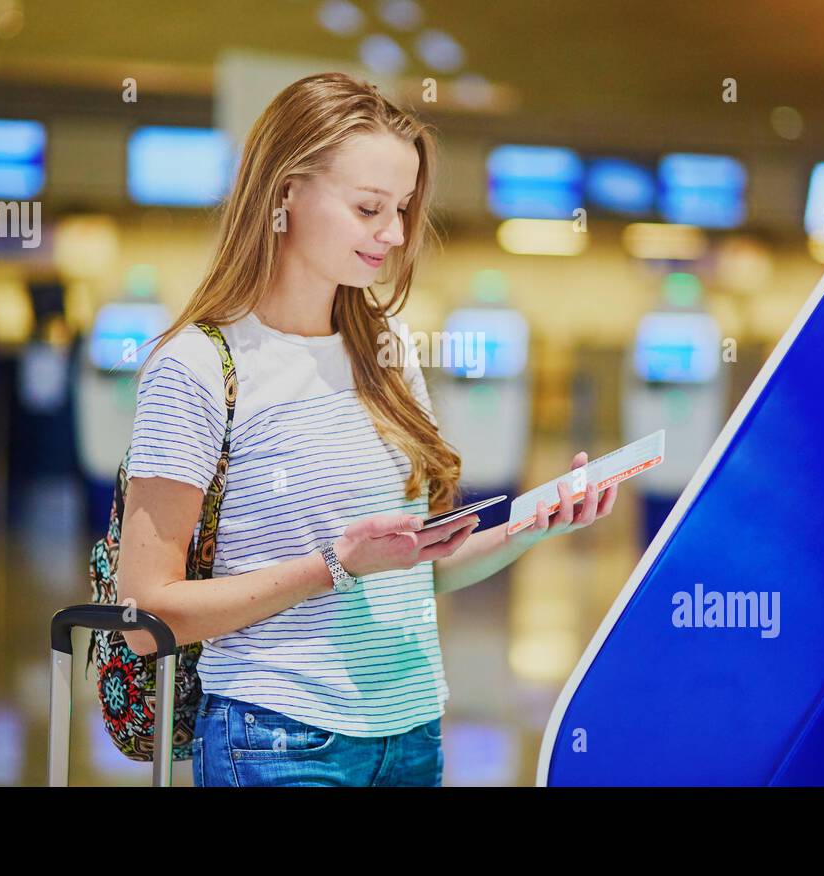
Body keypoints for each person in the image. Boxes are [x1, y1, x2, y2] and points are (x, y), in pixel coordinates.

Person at [117, 72, 618, 787]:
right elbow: (145, 615)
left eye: (405, 209)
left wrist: (534, 522)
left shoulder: (386, 355)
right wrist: (334, 566)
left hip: (410, 733)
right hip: (278, 740)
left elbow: (416, 571)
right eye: (368, 208)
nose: (395, 233)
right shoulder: (197, 367)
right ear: (286, 194)